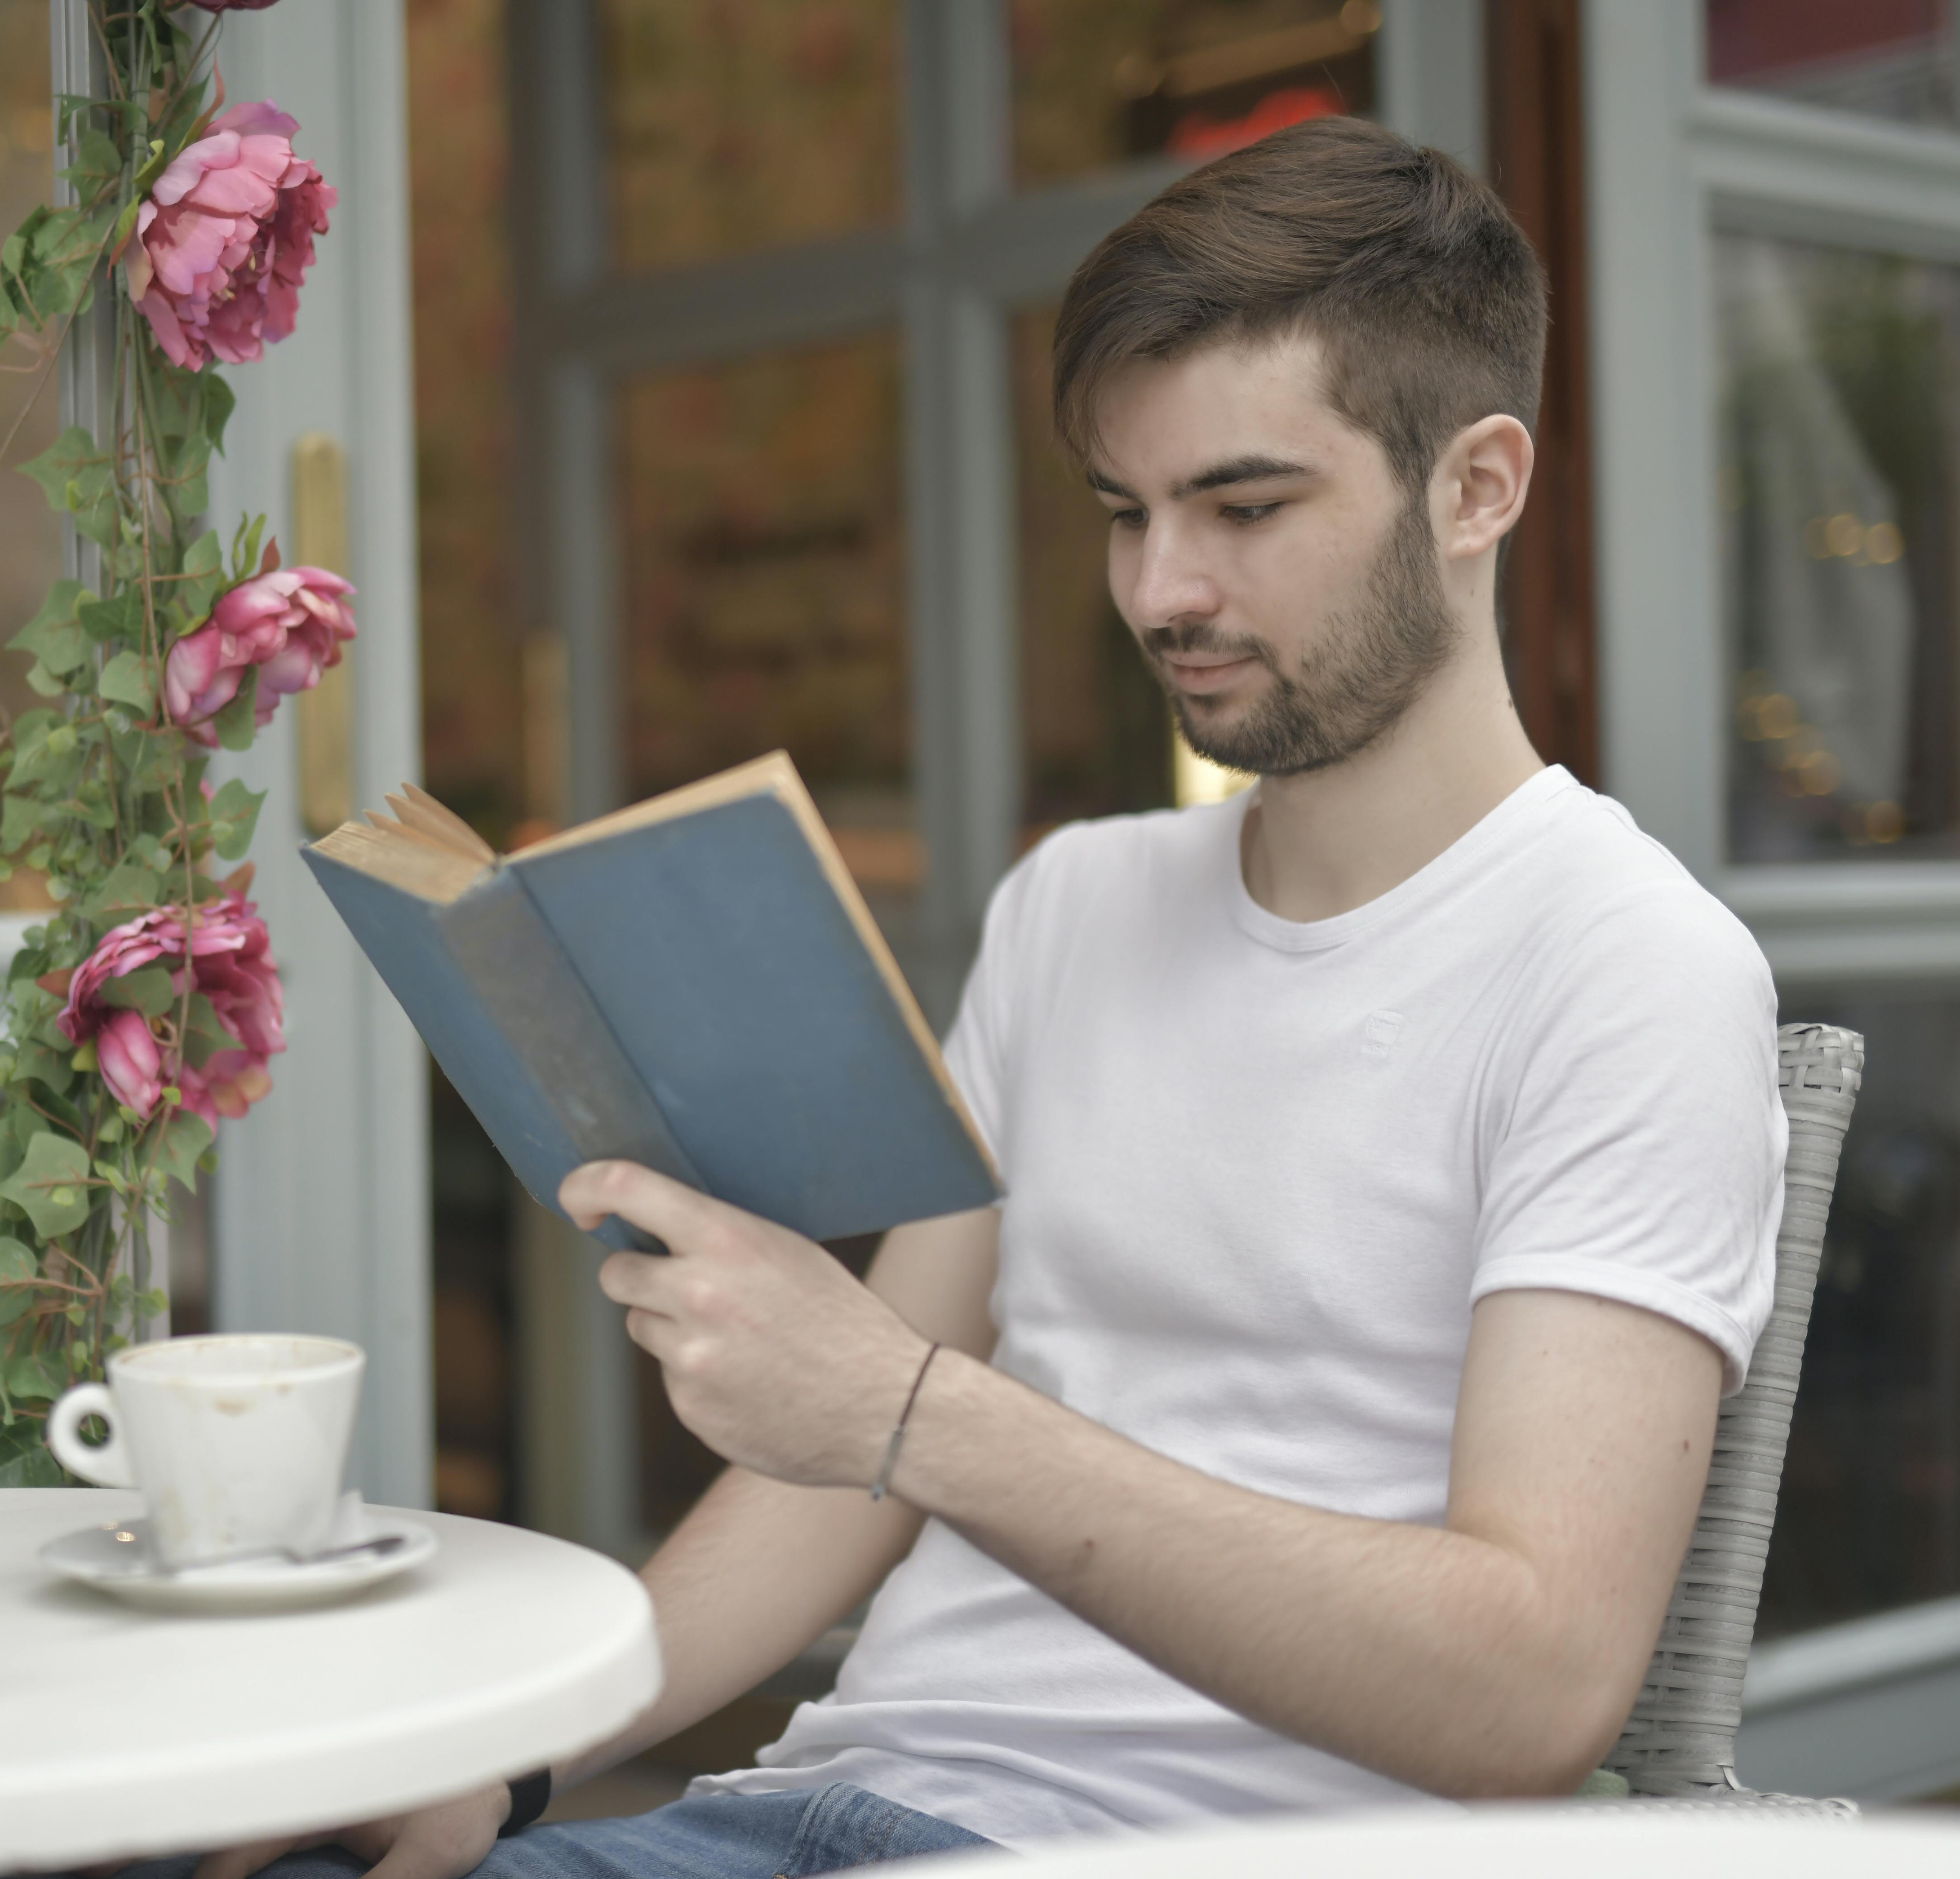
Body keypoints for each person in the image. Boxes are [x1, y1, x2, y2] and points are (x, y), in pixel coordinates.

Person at [203, 113, 1786, 1879]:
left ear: (1478, 487)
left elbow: (1534, 1687)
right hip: (803, 1808)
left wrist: (909, 1408)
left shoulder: (1626, 968)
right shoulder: (1074, 903)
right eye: (1126, 512)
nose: (1163, 590)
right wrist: (499, 1758)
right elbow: (841, 1460)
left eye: (1246, 507)